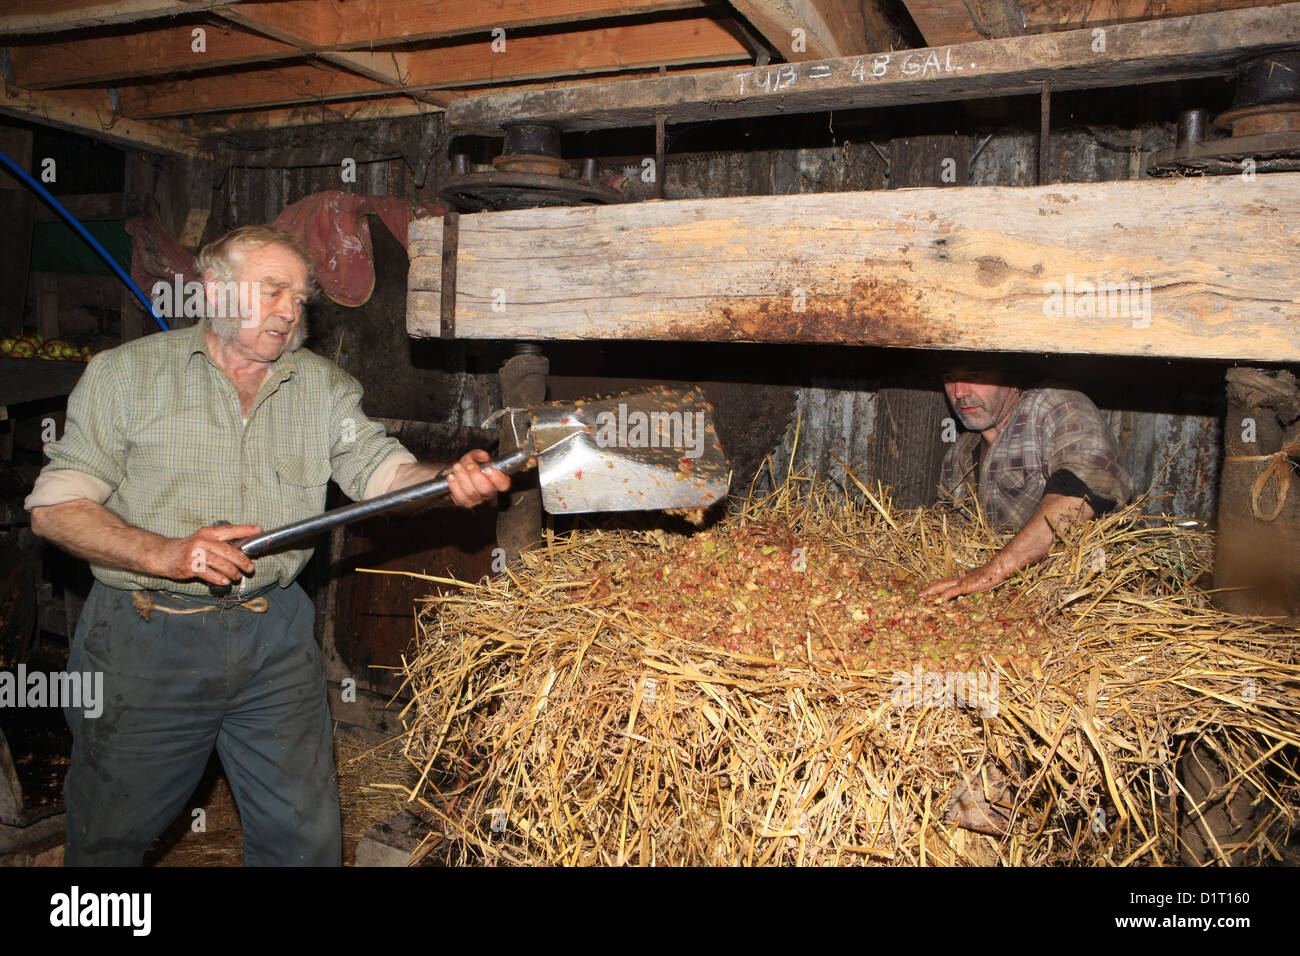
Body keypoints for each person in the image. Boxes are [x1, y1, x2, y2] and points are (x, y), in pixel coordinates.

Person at [25, 225, 510, 865]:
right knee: (112, 833)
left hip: (275, 633)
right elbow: (54, 510)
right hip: (147, 635)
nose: (290, 311)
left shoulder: (322, 388)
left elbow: (383, 473)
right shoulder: (126, 377)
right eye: (272, 290)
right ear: (215, 292)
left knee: (303, 837)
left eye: (300, 298)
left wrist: (446, 482)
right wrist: (162, 552)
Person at [919, 370, 1133, 603]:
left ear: (1011, 376)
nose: (959, 392)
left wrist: (996, 569)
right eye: (949, 378)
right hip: (1014, 602)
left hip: (1085, 592)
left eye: (975, 374)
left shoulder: (1051, 406)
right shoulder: (958, 458)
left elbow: (1083, 492)